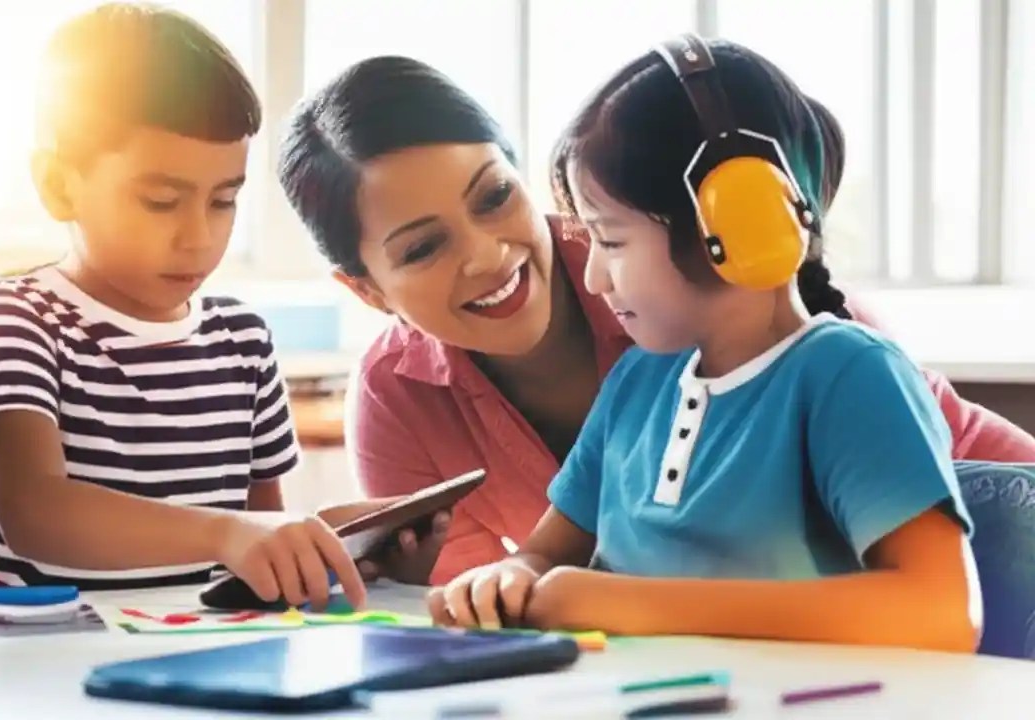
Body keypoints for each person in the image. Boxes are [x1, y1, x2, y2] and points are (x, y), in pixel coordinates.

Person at [277, 54, 1035, 586]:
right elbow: (512, 604)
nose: (486, 255)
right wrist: (434, 585)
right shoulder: (402, 396)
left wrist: (600, 597)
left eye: (493, 197)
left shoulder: (705, 292)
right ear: (367, 289)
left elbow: (956, 450)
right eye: (423, 248)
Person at [426, 37, 979, 652]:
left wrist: (629, 604)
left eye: (611, 241)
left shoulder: (847, 376)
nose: (593, 278)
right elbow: (543, 553)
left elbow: (941, 611)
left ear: (734, 220)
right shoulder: (636, 383)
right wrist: (512, 578)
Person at [0, 3, 376, 609]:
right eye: (160, 200)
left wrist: (346, 546)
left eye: (223, 201)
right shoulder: (18, 320)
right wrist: (223, 531)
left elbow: (260, 539)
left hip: (201, 652)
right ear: (57, 184)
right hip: (40, 657)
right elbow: (35, 512)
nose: (198, 236)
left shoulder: (242, 340)